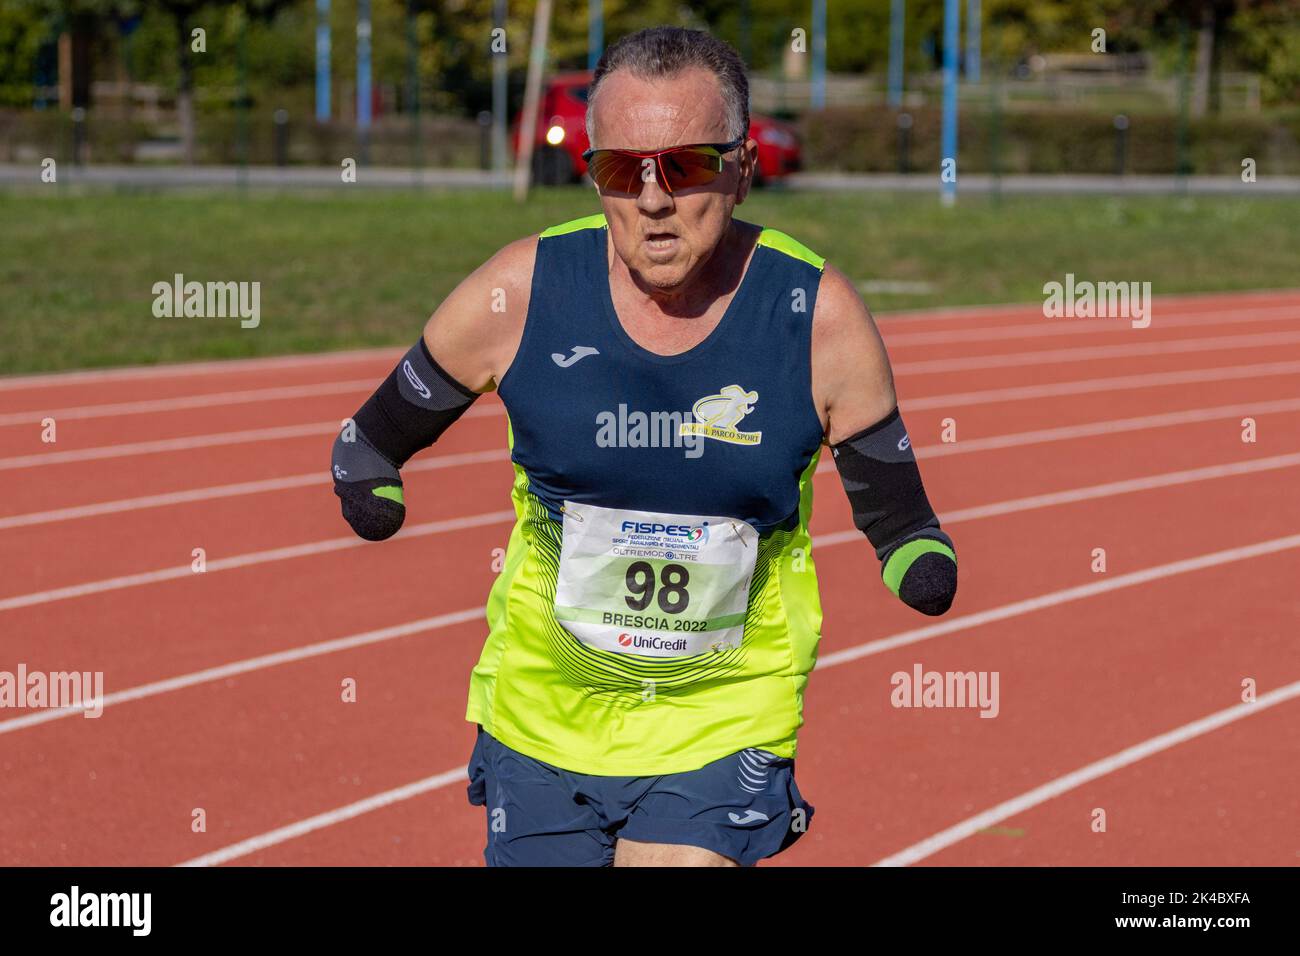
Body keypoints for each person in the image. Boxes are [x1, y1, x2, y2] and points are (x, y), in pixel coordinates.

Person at [331, 26, 958, 867]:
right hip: (546, 708)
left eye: (688, 165)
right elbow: (370, 438)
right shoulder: (521, 291)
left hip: (724, 710)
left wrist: (913, 552)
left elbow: (896, 506)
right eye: (622, 170)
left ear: (740, 167)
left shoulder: (814, 315)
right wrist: (370, 479)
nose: (653, 198)